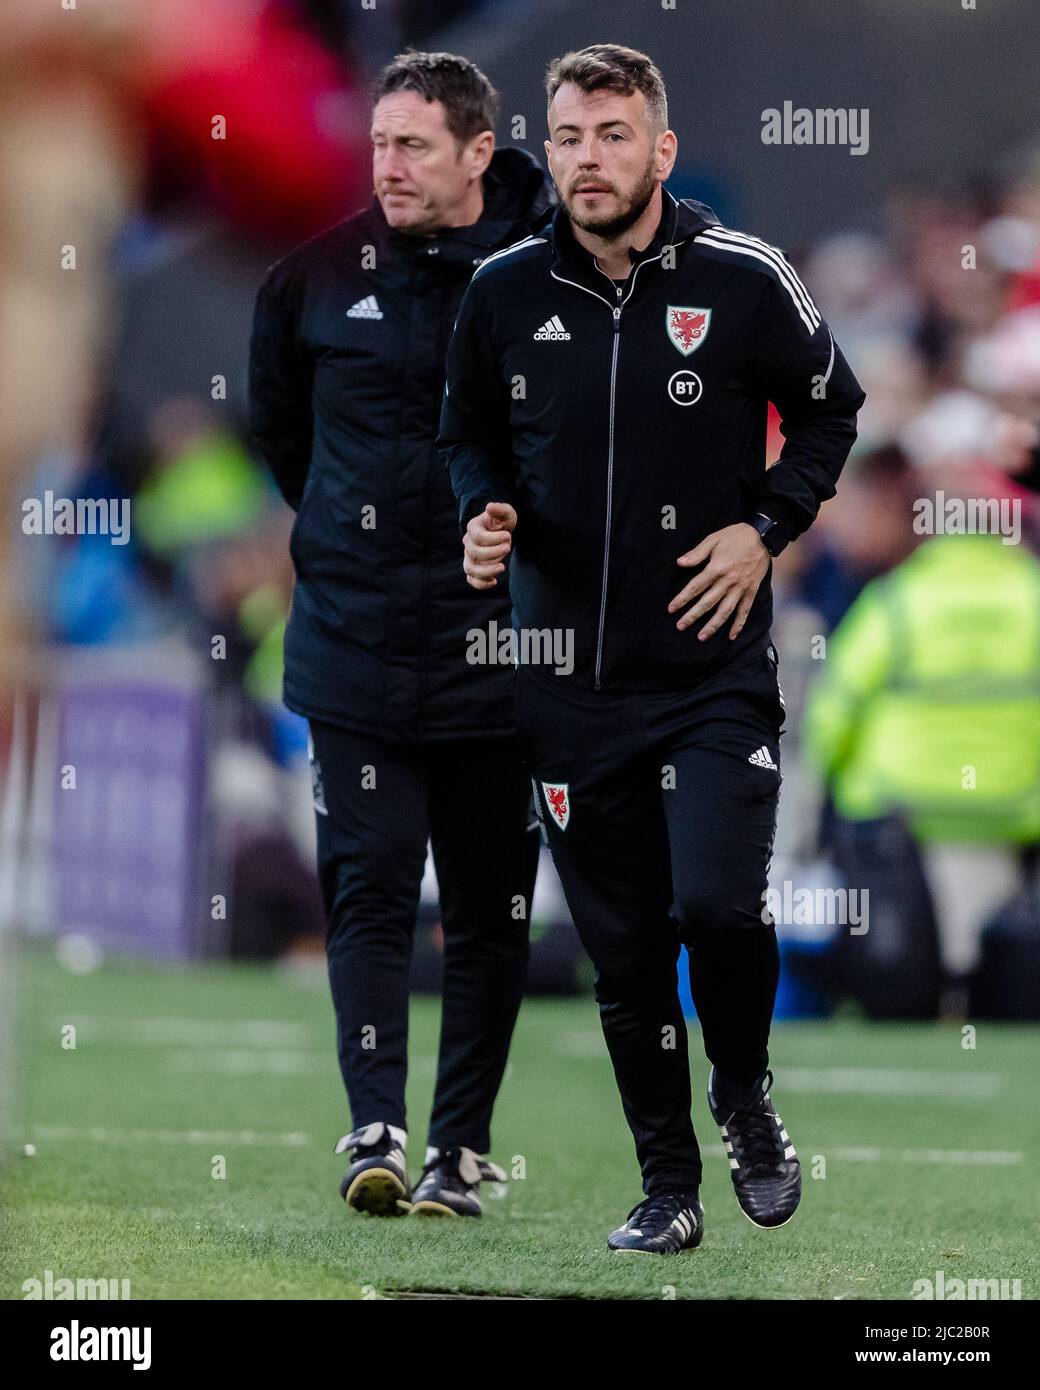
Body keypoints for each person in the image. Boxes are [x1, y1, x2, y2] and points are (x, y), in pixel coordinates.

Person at [440, 43, 864, 1253]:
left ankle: (742, 1090)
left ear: (659, 149)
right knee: (621, 954)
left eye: (611, 135)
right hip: (561, 677)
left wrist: (764, 528)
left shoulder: (742, 278)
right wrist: (484, 513)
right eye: (568, 137)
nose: (585, 159)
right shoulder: (503, 291)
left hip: (708, 670)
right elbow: (466, 430)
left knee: (718, 909)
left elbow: (835, 406)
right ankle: (665, 1187)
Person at [249, 51, 550, 1219]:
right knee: (369, 891)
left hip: (502, 656)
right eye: (379, 144)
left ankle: (456, 1147)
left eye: (415, 145)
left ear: (480, 151)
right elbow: (285, 443)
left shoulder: (552, 280)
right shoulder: (311, 279)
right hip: (355, 646)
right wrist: (350, 545)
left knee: (487, 910)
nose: (390, 166)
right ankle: (374, 1124)